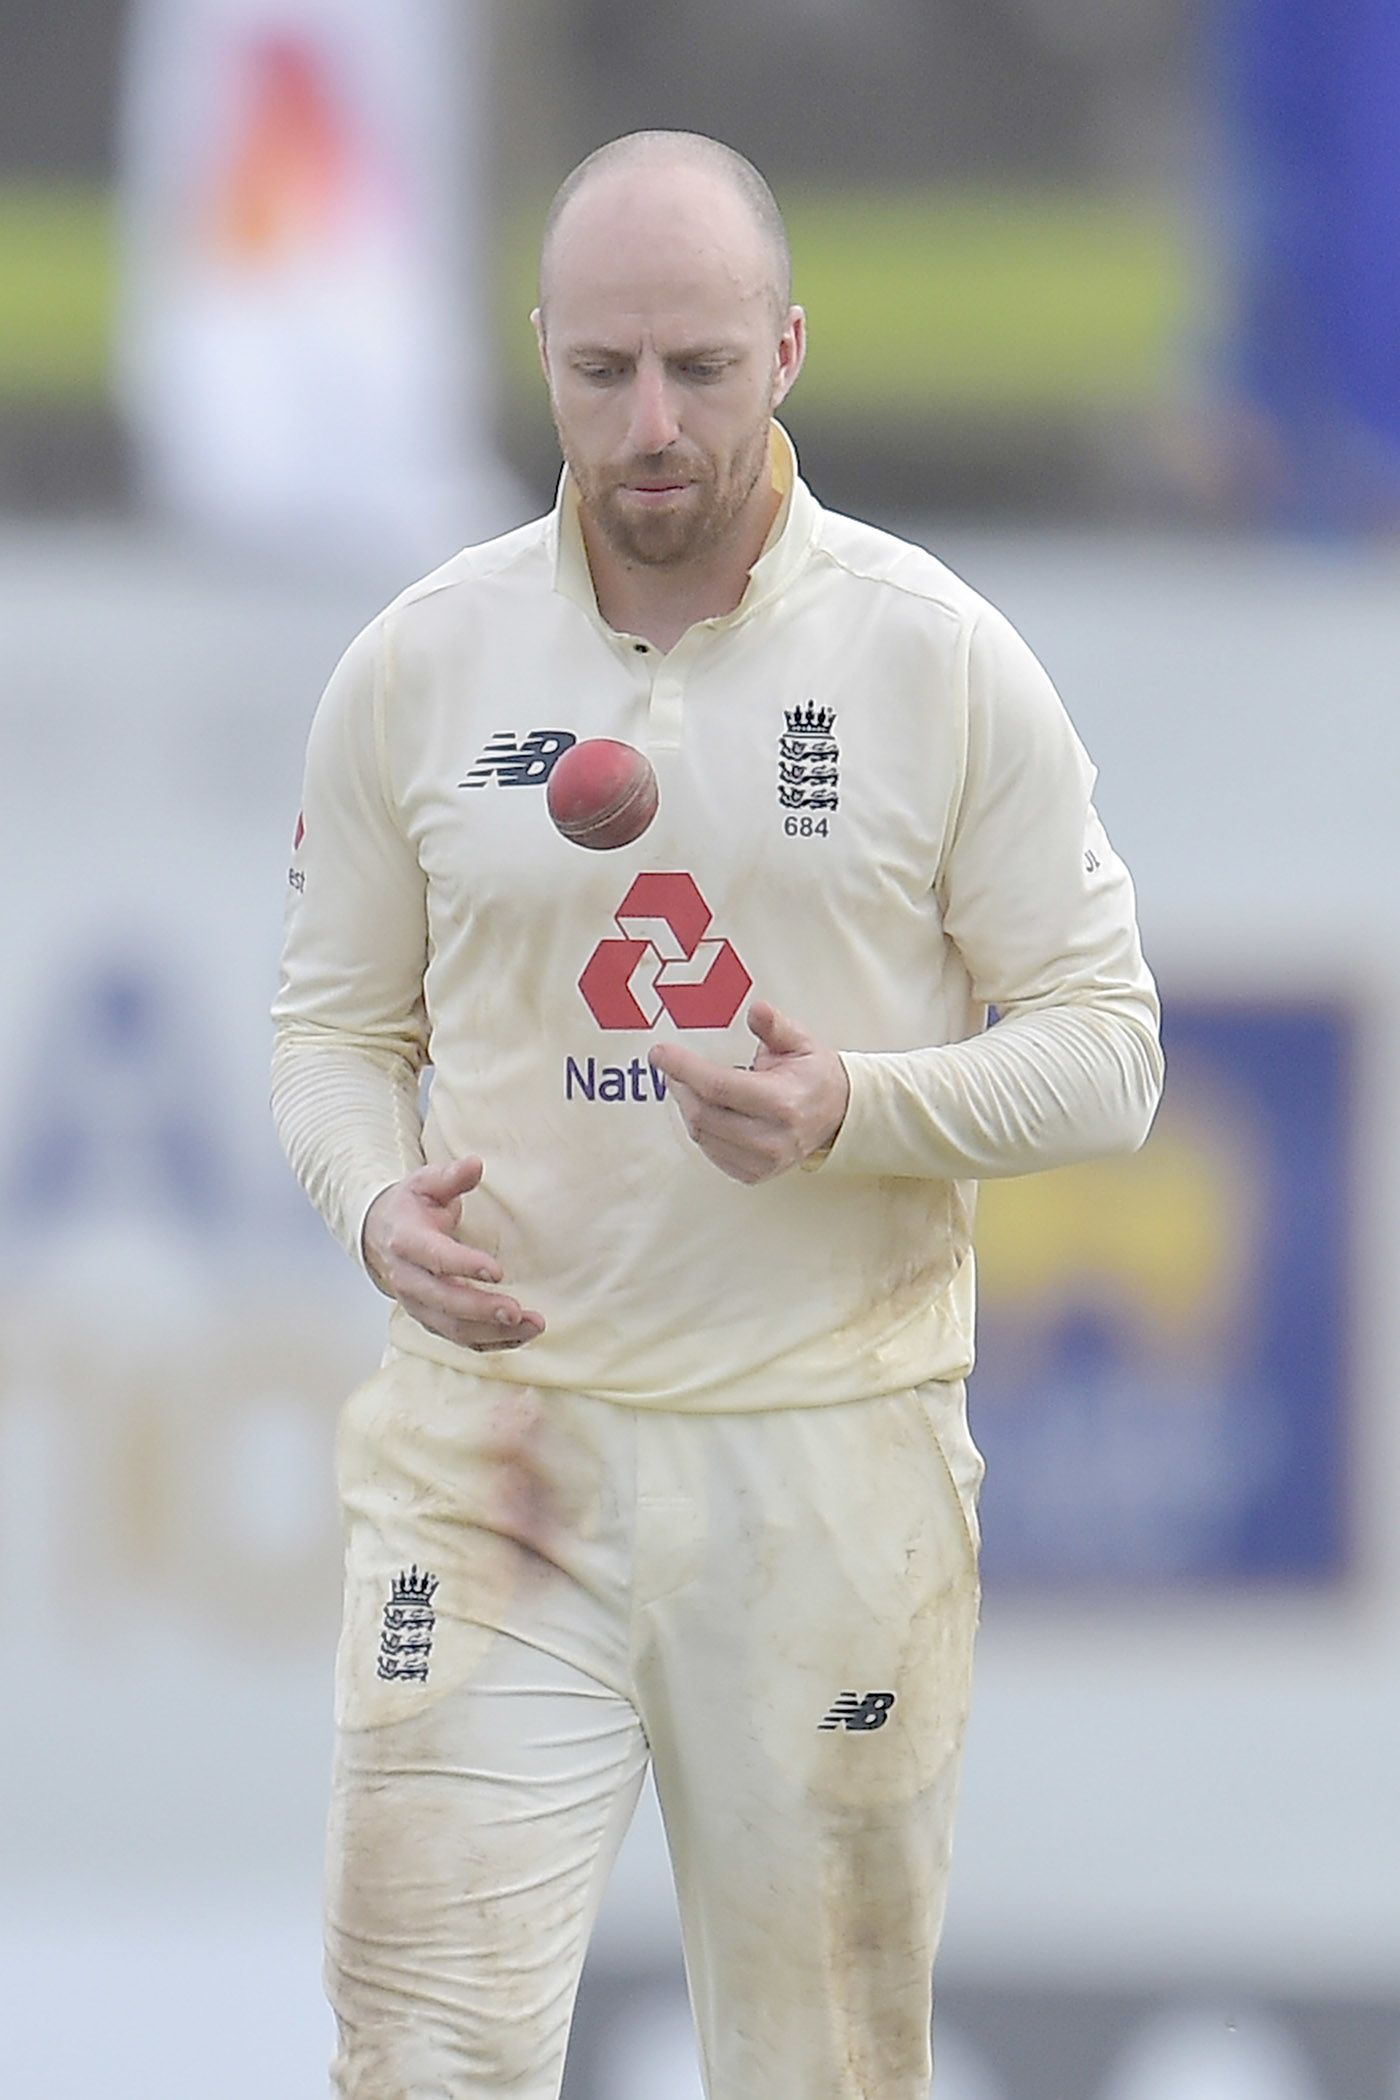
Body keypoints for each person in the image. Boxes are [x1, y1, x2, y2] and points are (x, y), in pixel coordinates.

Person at [272, 129, 1163, 2100]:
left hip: (826, 1468)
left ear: (787, 348)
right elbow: (332, 1028)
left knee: (821, 2069)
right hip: (496, 1462)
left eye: (697, 365)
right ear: (540, 356)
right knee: (419, 2060)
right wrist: (365, 1204)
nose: (649, 421)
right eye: (601, 371)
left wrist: (848, 1103)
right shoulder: (422, 665)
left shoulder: (934, 660)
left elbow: (1111, 1051)